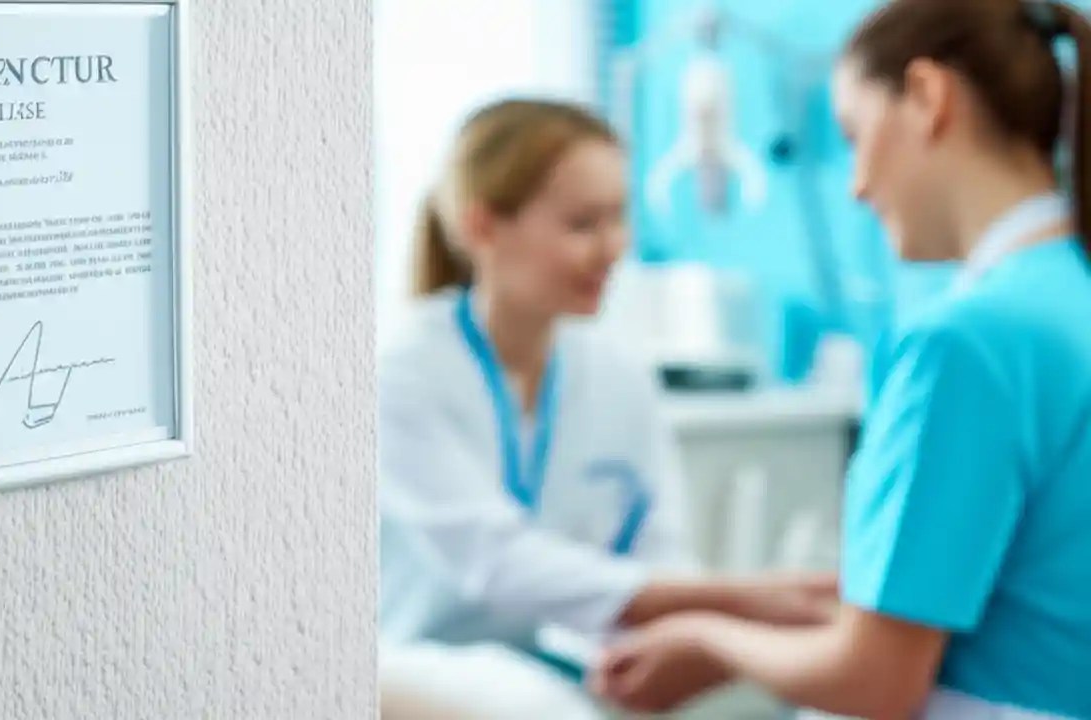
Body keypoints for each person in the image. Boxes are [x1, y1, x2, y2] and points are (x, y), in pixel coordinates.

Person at [590, 1, 1091, 719]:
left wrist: (710, 641)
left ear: (927, 97)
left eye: (855, 135)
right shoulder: (1068, 298)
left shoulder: (967, 341)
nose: (856, 185)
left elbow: (877, 680)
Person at [378, 97, 836, 717]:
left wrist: (678, 639)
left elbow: (659, 542)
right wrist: (737, 598)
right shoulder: (404, 370)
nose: (613, 247)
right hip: (425, 661)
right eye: (581, 224)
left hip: (565, 656)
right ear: (482, 226)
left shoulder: (617, 371)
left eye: (619, 219)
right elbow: (493, 561)